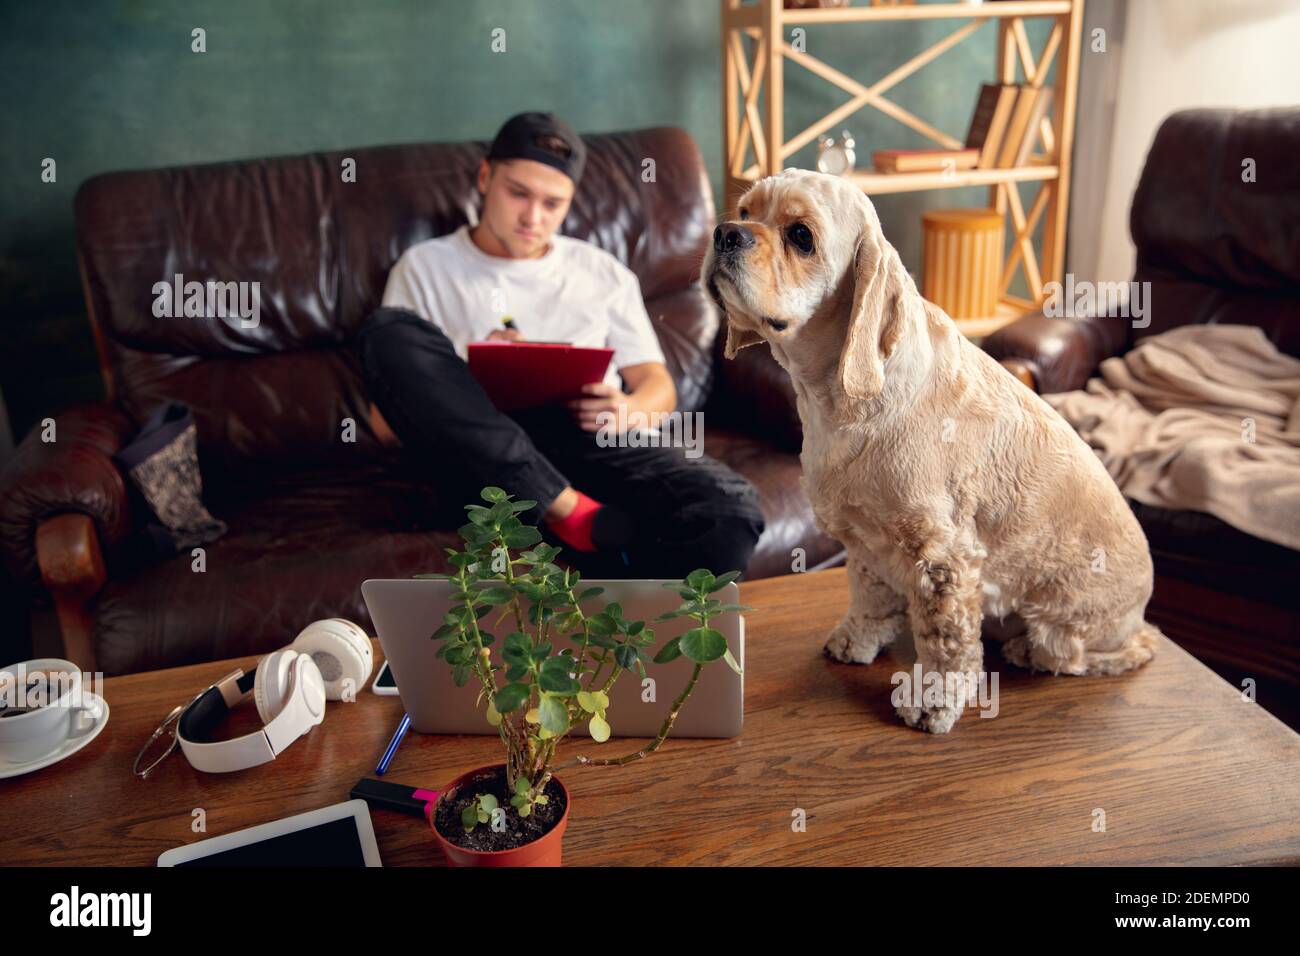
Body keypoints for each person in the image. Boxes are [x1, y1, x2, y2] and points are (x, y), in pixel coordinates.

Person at [355, 112, 764, 578]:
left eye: (553, 203)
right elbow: (386, 424)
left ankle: (596, 564)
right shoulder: (425, 266)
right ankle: (566, 510)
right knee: (387, 330)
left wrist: (628, 410)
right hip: (479, 450)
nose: (534, 217)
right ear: (486, 177)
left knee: (731, 511)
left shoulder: (601, 271)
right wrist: (471, 370)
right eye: (519, 194)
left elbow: (658, 386)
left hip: (590, 443)